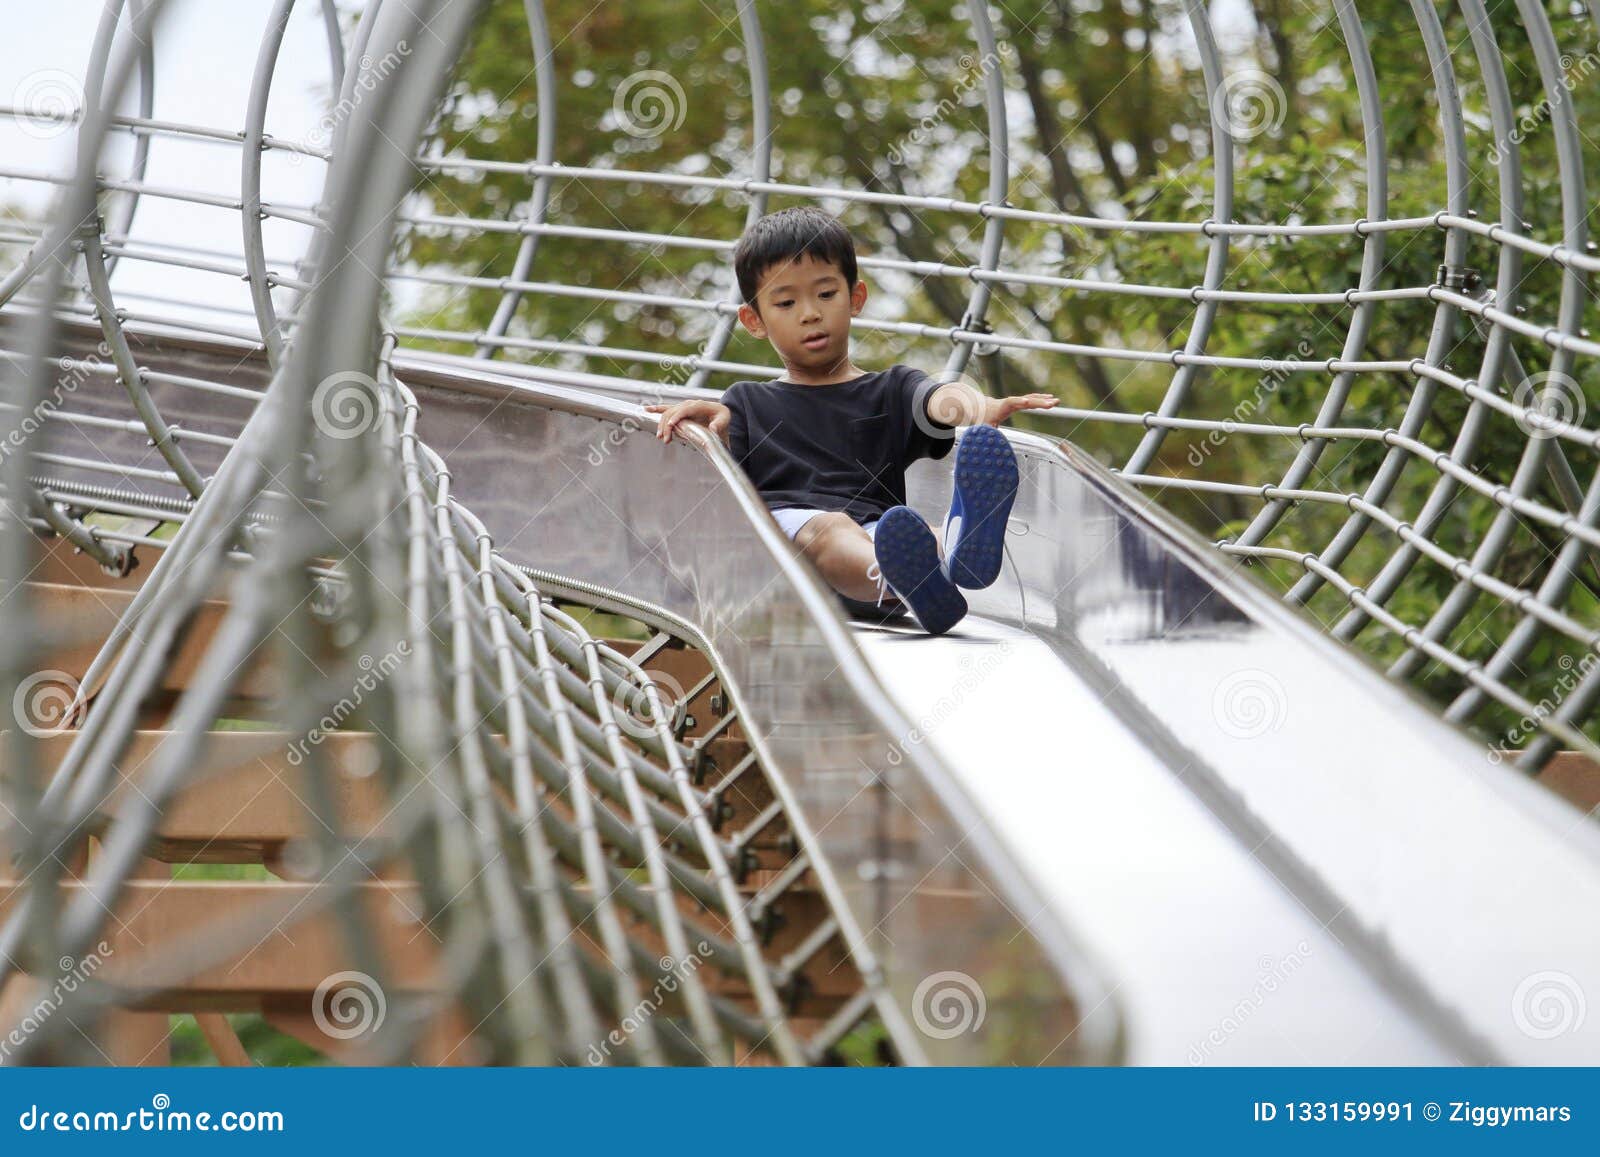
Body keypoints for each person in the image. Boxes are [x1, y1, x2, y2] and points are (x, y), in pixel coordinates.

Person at [647, 206, 1057, 635]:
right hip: (793, 574)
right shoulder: (747, 401)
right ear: (754, 320)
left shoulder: (892, 389)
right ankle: (903, 575)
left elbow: (934, 398)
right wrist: (711, 430)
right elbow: (720, 473)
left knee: (910, 530)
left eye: (826, 294)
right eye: (786, 302)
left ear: (855, 298)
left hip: (875, 552)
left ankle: (953, 550)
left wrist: (976, 407)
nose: (810, 313)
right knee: (831, 526)